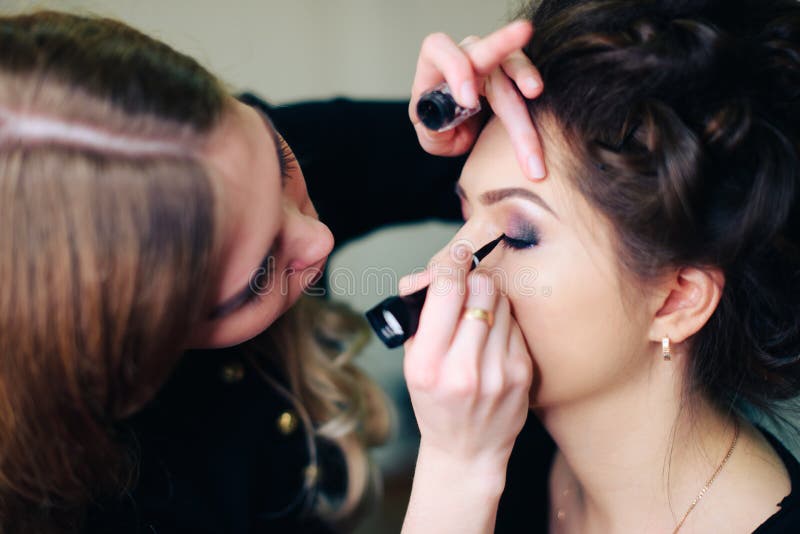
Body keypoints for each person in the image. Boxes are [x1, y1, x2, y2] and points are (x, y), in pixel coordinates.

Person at [0, 9, 545, 534]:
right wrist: (459, 473)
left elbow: (533, 180)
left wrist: (469, 121)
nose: (320, 238)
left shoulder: (220, 167)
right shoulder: (88, 506)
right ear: (132, 361)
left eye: (283, 162)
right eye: (259, 273)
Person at [399, 0, 800, 532]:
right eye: (465, 211)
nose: (445, 267)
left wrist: (456, 473)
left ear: (677, 299)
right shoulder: (503, 437)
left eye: (518, 236)